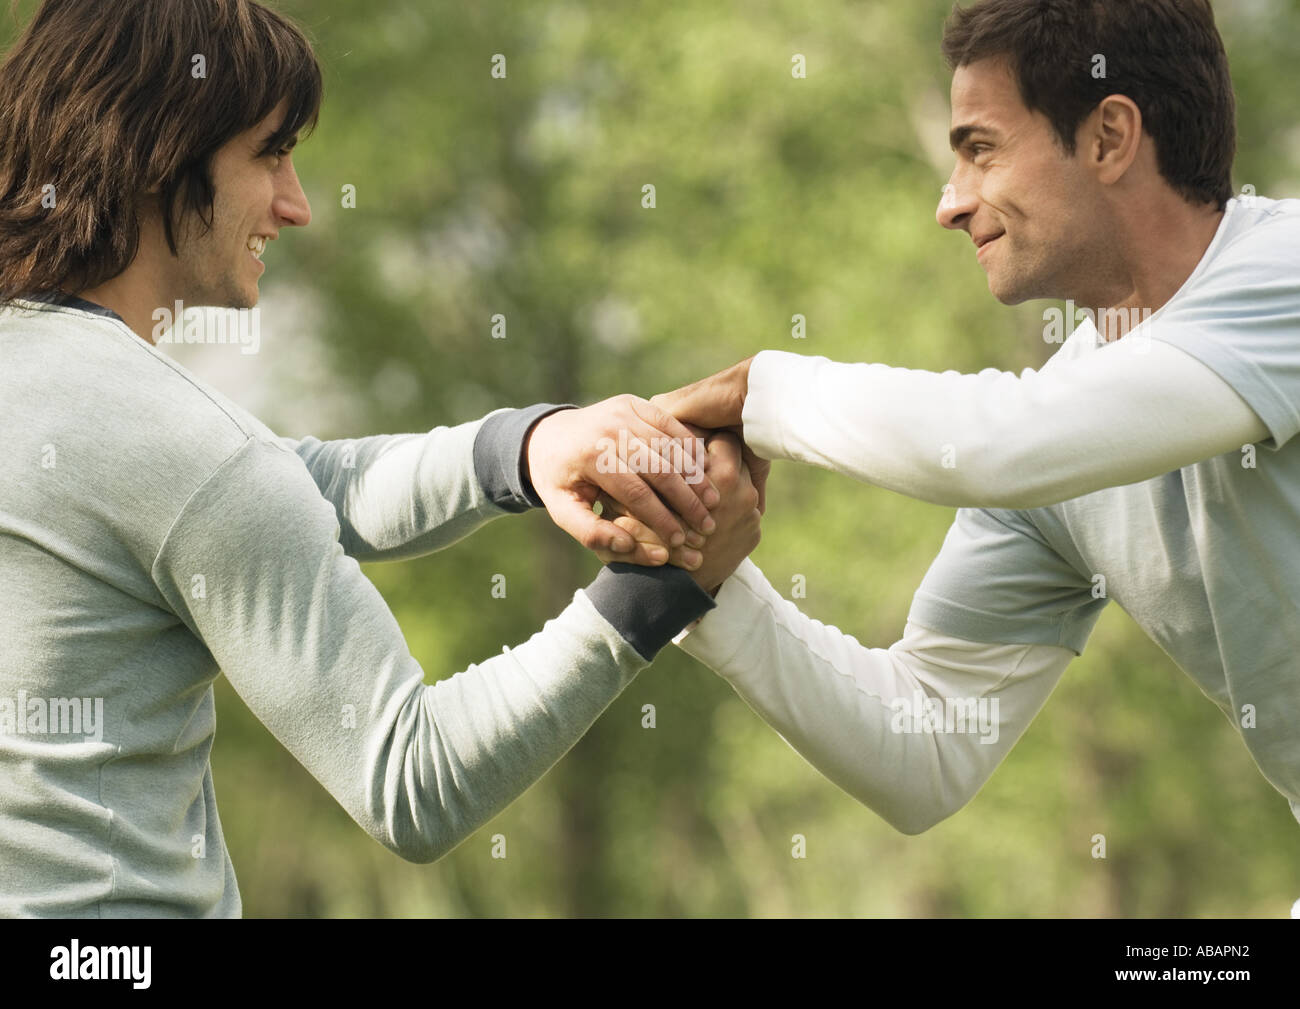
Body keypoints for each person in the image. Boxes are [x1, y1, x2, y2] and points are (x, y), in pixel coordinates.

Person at [0, 0, 761, 917]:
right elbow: (413, 778)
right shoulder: (179, 451)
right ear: (160, 154)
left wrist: (527, 448)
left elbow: (284, 487)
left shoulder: (67, 404)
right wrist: (666, 584)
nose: (298, 204)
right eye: (270, 154)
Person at [644, 0, 1300, 857]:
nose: (950, 204)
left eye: (980, 149)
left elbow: (1000, 446)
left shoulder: (1282, 278)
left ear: (1108, 138)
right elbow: (925, 746)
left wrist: (756, 393)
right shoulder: (1056, 455)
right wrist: (704, 571)